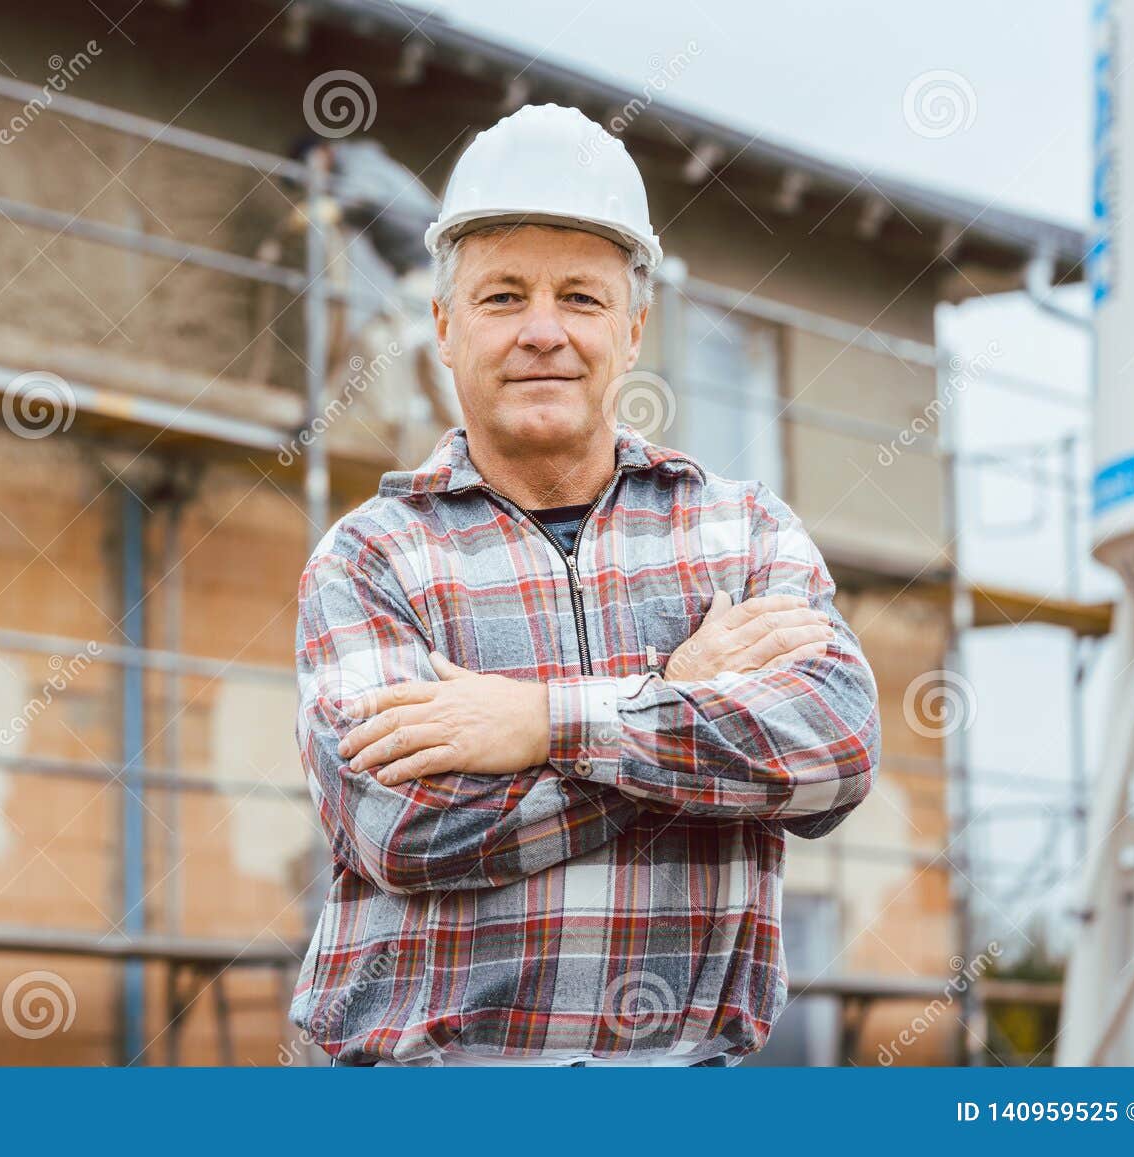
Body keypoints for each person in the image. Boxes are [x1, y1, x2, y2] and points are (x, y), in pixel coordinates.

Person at [288, 104, 881, 1067]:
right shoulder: (371, 559)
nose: (543, 333)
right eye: (502, 296)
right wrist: (682, 700)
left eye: (582, 298)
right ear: (443, 326)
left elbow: (838, 750)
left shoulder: (741, 530)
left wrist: (541, 724)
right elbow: (398, 826)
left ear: (634, 329)